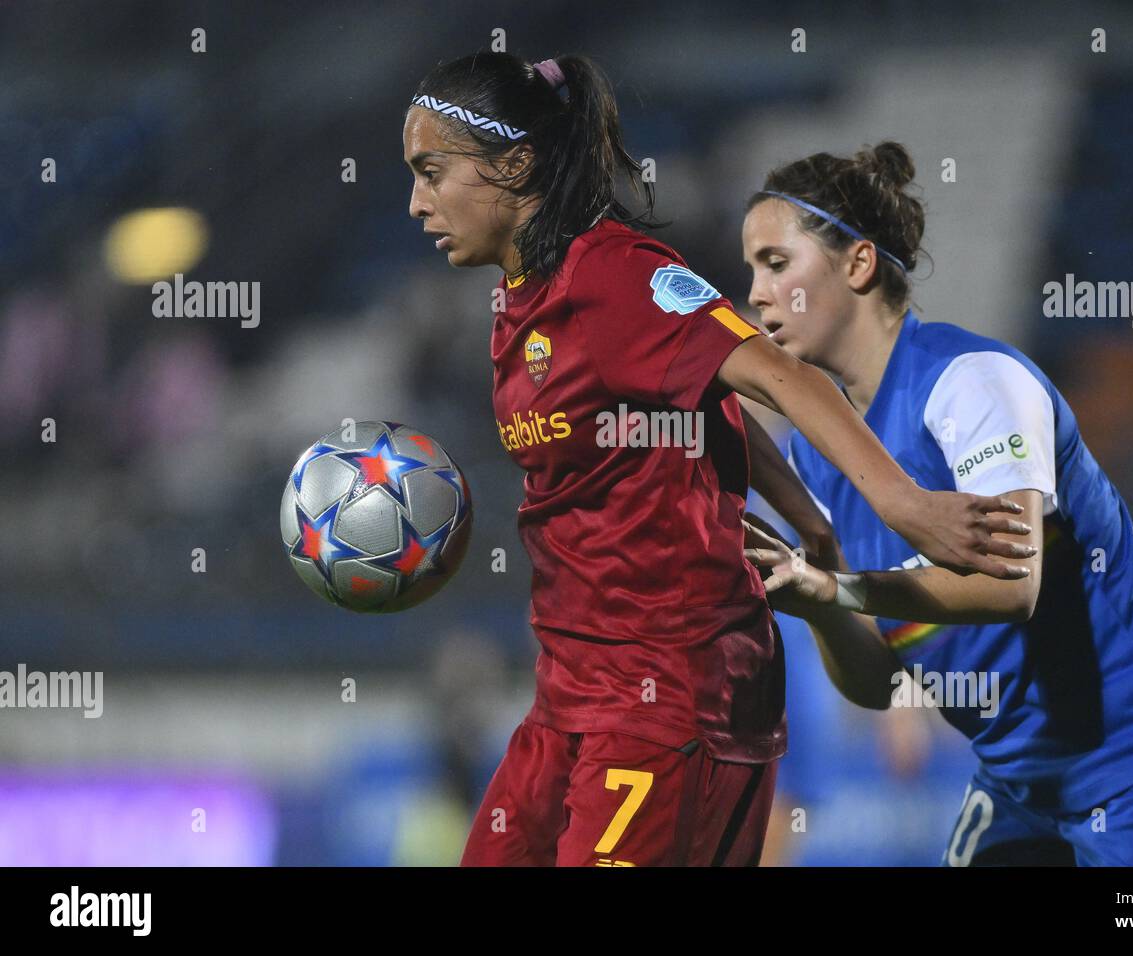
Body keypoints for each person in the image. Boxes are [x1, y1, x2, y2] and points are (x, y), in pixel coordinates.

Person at [403, 52, 1031, 867]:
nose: (416, 203)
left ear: (514, 164)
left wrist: (901, 505)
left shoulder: (617, 277)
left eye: (432, 172)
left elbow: (778, 373)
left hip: (667, 696)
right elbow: (702, 402)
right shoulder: (521, 301)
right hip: (570, 692)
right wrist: (808, 519)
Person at [739, 140, 1133, 866]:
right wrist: (820, 604)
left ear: (857, 263)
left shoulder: (974, 383)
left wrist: (843, 586)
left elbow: (1010, 583)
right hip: (1024, 780)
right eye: (751, 270)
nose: (757, 294)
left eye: (775, 263)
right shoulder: (814, 458)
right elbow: (878, 683)